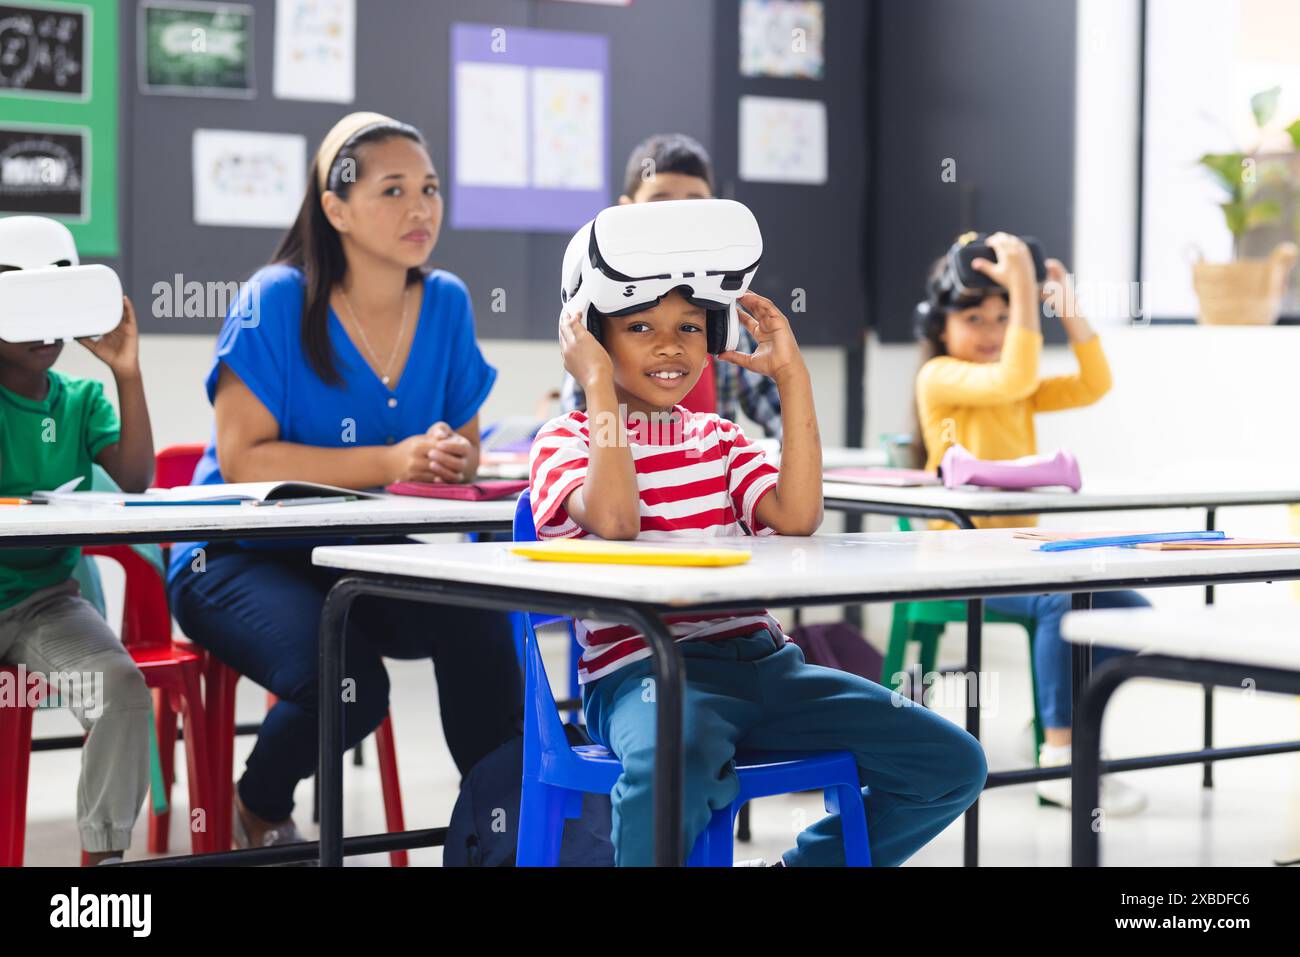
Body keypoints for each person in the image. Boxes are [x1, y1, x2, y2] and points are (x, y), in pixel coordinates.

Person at [530, 212, 986, 865]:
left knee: (949, 761)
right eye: (640, 328)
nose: (670, 346)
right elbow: (616, 519)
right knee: (671, 761)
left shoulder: (717, 437)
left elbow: (797, 516)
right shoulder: (566, 440)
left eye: (689, 327)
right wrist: (598, 384)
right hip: (644, 675)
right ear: (591, 337)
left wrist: (792, 375)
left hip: (768, 664)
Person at [166, 112, 521, 848]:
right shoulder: (274, 299)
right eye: (393, 190)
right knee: (347, 680)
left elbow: (468, 441)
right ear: (336, 208)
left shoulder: (447, 302)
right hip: (234, 554)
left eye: (429, 188)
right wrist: (391, 460)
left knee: (480, 618)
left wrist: (453, 456)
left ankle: (500, 830)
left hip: (356, 552)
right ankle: (259, 803)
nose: (420, 209)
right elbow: (245, 459)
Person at [913, 231, 1147, 814]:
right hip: (959, 560)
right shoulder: (941, 376)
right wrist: (1021, 288)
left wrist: (1064, 304)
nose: (992, 332)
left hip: (1023, 551)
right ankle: (1061, 763)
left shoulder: (1012, 387)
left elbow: (1096, 383)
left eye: (1003, 318)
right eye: (976, 318)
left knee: (1130, 613)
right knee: (1056, 603)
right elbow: (1013, 378)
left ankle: (1049, 722)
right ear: (940, 327)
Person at [0, 216, 153, 863]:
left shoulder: (83, 398)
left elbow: (136, 477)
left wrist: (127, 371)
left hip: (45, 605)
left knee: (121, 691)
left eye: (55, 302)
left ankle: (105, 856)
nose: (42, 328)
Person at [559, 133, 783, 438]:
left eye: (695, 207)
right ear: (624, 212)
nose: (678, 223)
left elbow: (776, 414)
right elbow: (577, 427)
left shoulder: (726, 318)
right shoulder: (600, 317)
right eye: (660, 203)